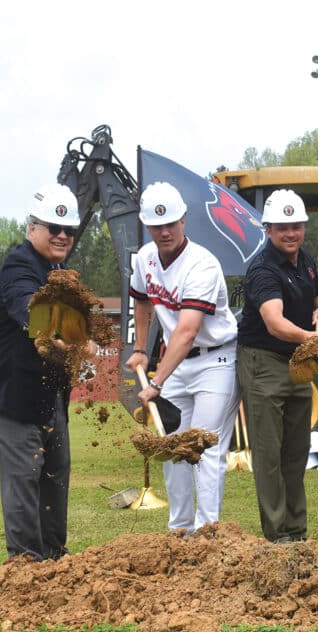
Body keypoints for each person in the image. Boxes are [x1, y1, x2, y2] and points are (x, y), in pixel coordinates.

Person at [125, 181, 239, 535]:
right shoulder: (144, 259)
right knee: (172, 448)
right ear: (146, 226)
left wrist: (156, 383)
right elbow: (141, 300)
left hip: (215, 361)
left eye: (171, 223)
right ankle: (180, 531)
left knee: (204, 447)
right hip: (175, 364)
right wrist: (140, 348)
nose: (164, 232)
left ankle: (207, 533)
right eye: (156, 225)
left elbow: (187, 331)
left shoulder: (202, 265)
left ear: (183, 220)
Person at [0, 183, 81, 560]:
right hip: (14, 394)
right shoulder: (19, 265)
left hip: (49, 394)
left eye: (68, 229)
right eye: (53, 227)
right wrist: (61, 329)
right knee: (24, 475)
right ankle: (24, 565)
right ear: (32, 227)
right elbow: (28, 307)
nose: (62, 235)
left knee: (56, 473)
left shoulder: (60, 271)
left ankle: (55, 556)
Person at [237, 189, 318, 543]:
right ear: (268, 229)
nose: (291, 233)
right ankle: (277, 534)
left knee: (296, 450)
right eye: (282, 228)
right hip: (264, 363)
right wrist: (312, 339)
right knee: (269, 453)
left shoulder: (304, 259)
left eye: (296, 226)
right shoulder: (263, 270)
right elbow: (275, 323)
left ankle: (297, 529)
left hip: (296, 362)